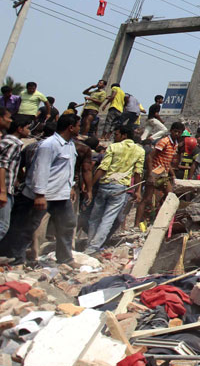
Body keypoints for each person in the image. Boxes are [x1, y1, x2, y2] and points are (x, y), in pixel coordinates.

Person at [21, 114, 80, 264]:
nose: (80, 128)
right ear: (71, 127)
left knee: (67, 225)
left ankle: (65, 258)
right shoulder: (49, 145)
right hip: (46, 195)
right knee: (33, 227)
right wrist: (40, 195)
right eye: (78, 125)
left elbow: (65, 169)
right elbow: (41, 169)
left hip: (61, 195)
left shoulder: (70, 144)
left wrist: (70, 186)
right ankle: (22, 258)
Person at [85, 125, 145, 252]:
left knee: (95, 217)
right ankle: (93, 248)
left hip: (105, 185)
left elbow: (103, 168)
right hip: (120, 188)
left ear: (124, 135)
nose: (115, 137)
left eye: (117, 134)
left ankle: (90, 244)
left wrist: (90, 187)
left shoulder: (114, 147)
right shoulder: (139, 151)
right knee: (108, 219)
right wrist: (138, 191)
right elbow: (138, 173)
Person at [136, 122, 182, 228]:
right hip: (155, 173)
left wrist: (173, 175)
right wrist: (150, 174)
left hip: (164, 174)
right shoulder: (164, 141)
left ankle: (160, 221)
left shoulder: (174, 144)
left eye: (179, 133)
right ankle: (136, 224)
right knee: (147, 199)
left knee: (170, 197)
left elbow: (167, 161)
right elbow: (150, 157)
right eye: (175, 131)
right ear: (171, 131)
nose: (177, 134)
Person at [0, 109, 18, 241]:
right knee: (2, 226)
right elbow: (2, 165)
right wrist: (2, 191)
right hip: (3, 188)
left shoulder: (3, 138)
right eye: (8, 117)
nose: (10, 120)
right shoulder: (11, 142)